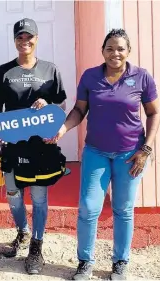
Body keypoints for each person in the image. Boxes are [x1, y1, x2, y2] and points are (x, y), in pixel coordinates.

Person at [46, 28, 159, 280]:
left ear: (128, 51)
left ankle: (120, 262)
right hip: (96, 152)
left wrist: (146, 150)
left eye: (120, 48)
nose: (115, 53)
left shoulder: (141, 77)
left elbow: (153, 113)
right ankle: (85, 261)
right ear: (102, 51)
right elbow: (78, 110)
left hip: (130, 155)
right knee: (88, 207)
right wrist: (63, 128)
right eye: (110, 48)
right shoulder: (90, 77)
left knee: (123, 209)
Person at [0, 18, 67, 275]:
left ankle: (37, 246)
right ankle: (22, 232)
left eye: (29, 37)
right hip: (12, 145)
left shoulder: (50, 70)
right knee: (13, 196)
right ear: (14, 41)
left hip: (40, 147)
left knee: (38, 198)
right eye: (20, 37)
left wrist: (49, 105)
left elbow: (62, 106)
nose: (25, 42)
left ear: (36, 39)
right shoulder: (3, 72)